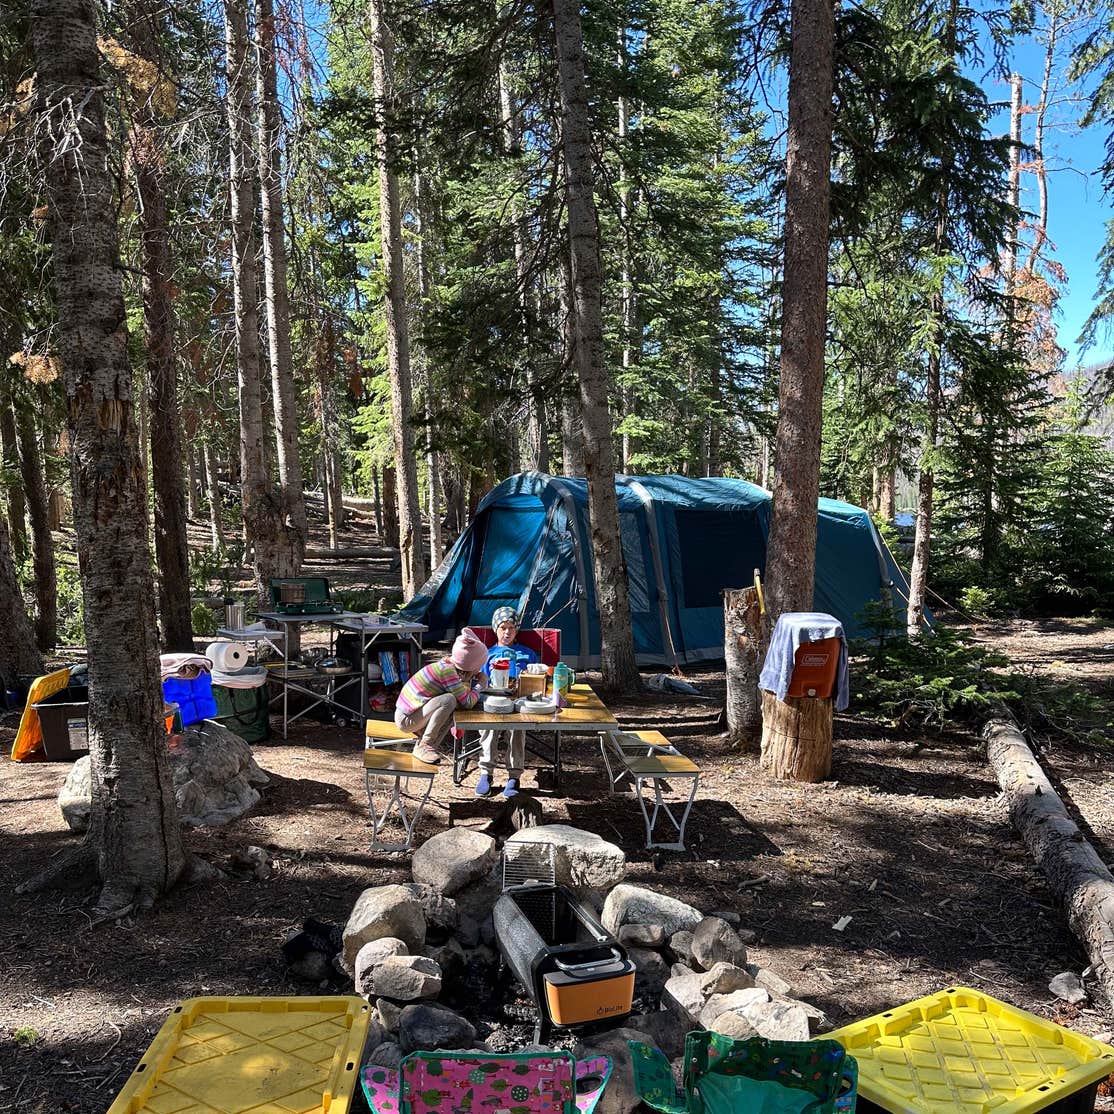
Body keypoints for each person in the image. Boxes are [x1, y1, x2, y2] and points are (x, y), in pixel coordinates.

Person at [395, 628, 487, 764]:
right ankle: (425, 745)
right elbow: (467, 702)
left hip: (411, 714)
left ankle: (426, 742)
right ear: (470, 666)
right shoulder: (448, 672)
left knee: (452, 703)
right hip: (406, 720)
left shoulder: (448, 666)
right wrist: (481, 684)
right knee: (449, 700)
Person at [476, 607, 538, 798]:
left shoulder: (528, 653)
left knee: (517, 728)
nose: (507, 632)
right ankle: (486, 773)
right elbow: (481, 681)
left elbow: (536, 679)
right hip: (494, 698)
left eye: (511, 628)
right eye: (503, 627)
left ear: (516, 630)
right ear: (496, 629)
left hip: (520, 700)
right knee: (488, 728)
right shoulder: (487, 653)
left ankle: (514, 776)